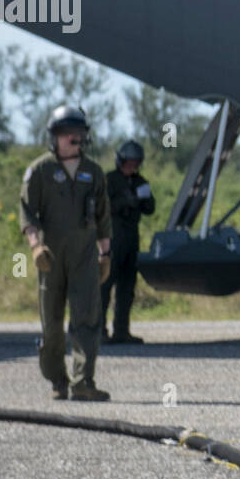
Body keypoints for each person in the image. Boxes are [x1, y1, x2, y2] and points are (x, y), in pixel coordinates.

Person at [20, 105, 113, 401]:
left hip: (84, 255)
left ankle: (84, 381)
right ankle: (58, 379)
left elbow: (103, 217)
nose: (73, 138)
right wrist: (35, 246)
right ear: (55, 137)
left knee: (87, 318)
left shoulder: (93, 172)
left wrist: (105, 254)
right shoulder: (40, 170)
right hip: (51, 255)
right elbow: (26, 212)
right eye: (66, 133)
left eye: (78, 132)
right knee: (51, 322)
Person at [100, 139, 155, 344]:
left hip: (132, 239)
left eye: (135, 164)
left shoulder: (141, 182)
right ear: (120, 161)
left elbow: (150, 209)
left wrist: (144, 200)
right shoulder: (109, 180)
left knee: (127, 287)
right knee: (105, 285)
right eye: (128, 163)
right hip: (112, 238)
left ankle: (122, 330)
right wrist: (123, 201)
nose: (131, 167)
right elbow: (100, 207)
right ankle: (99, 331)